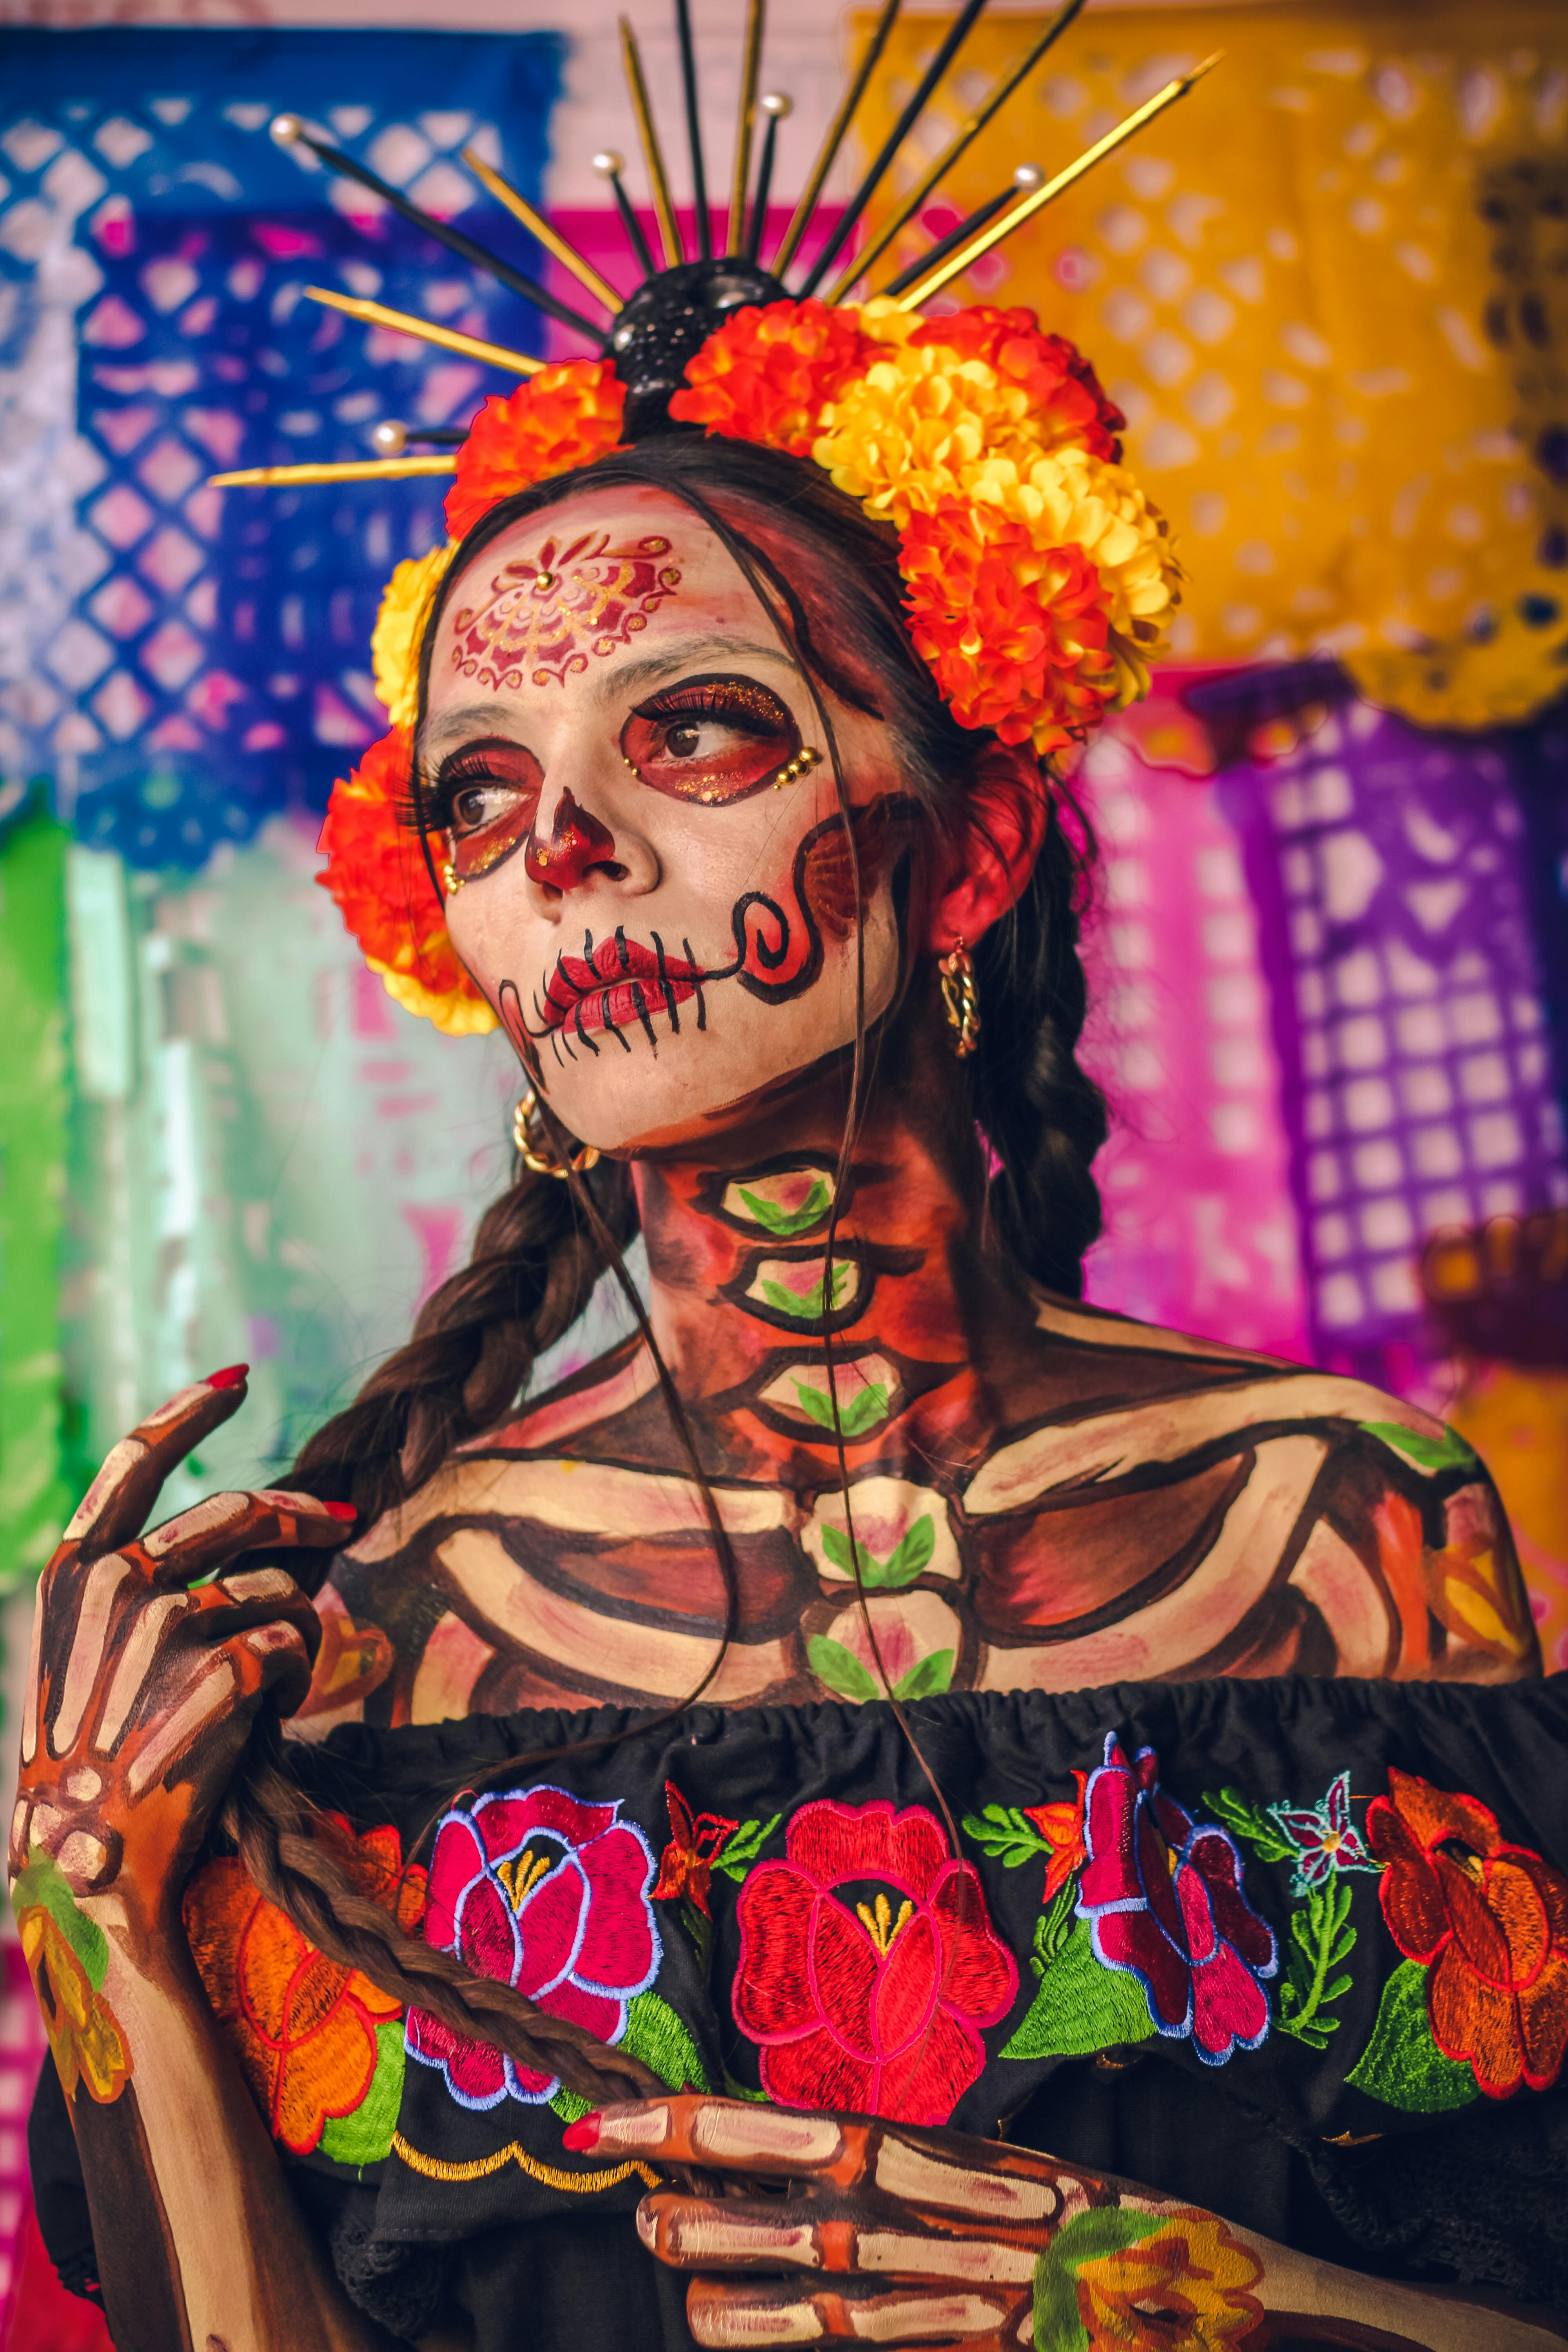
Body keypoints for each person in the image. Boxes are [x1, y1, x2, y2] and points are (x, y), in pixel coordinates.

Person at [14, 216, 1567, 2352]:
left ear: (972, 848)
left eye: (701, 736)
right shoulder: (390, 1642)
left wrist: (1165, 2303)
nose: (563, 844)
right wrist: (107, 1914)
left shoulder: (1346, 1530)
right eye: (486, 786)